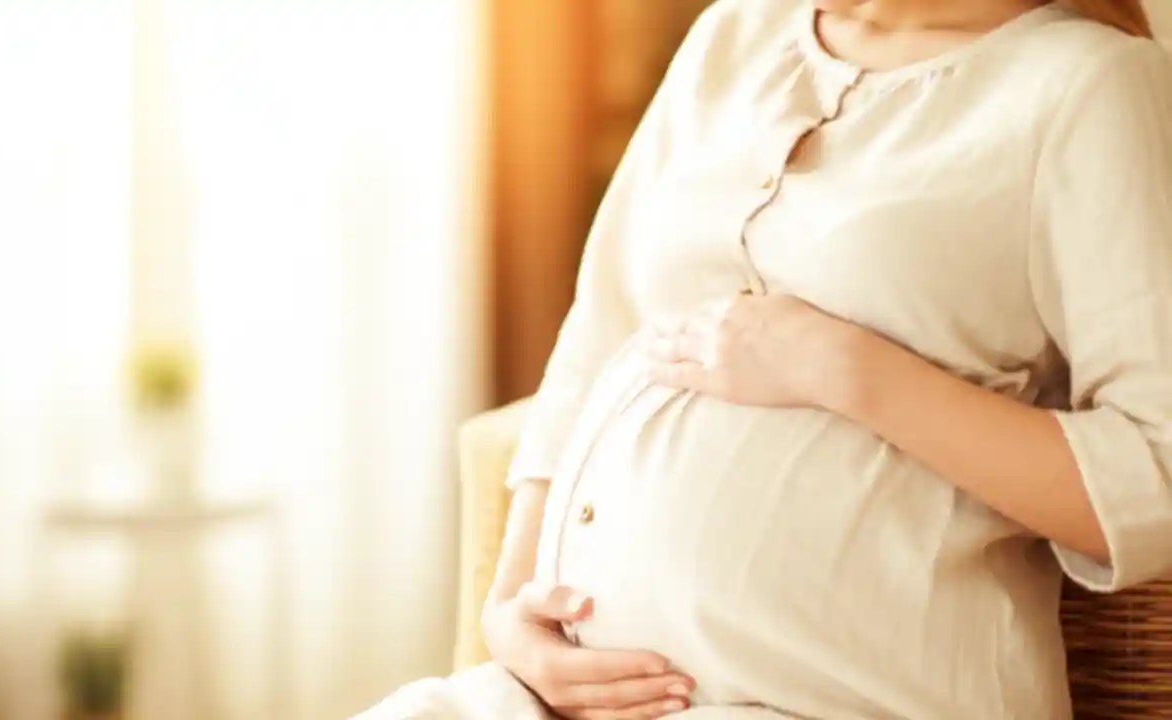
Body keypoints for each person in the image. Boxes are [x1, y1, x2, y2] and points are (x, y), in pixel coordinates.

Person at [357, 0, 1172, 717]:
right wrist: (510, 612)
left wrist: (845, 367)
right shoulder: (732, 34)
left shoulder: (1088, 88)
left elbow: (1156, 473)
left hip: (848, 701)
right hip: (561, 698)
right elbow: (600, 335)